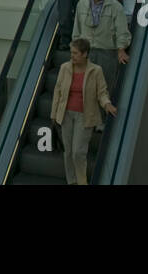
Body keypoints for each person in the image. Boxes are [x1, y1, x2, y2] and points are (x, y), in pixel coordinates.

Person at [49, 37, 116, 185]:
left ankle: (82, 181)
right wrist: (54, 114)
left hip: (85, 116)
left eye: (75, 53)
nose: (71, 56)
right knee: (68, 152)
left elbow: (102, 92)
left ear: (85, 54)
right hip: (65, 114)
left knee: (78, 152)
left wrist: (107, 104)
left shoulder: (96, 70)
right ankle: (71, 181)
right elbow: (58, 92)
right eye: (71, 53)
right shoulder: (64, 68)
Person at [73, 0, 130, 80]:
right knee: (84, 86)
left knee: (105, 87)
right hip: (86, 52)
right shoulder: (82, 4)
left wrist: (121, 49)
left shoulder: (116, 6)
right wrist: (76, 50)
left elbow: (122, 31)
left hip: (107, 53)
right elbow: (77, 29)